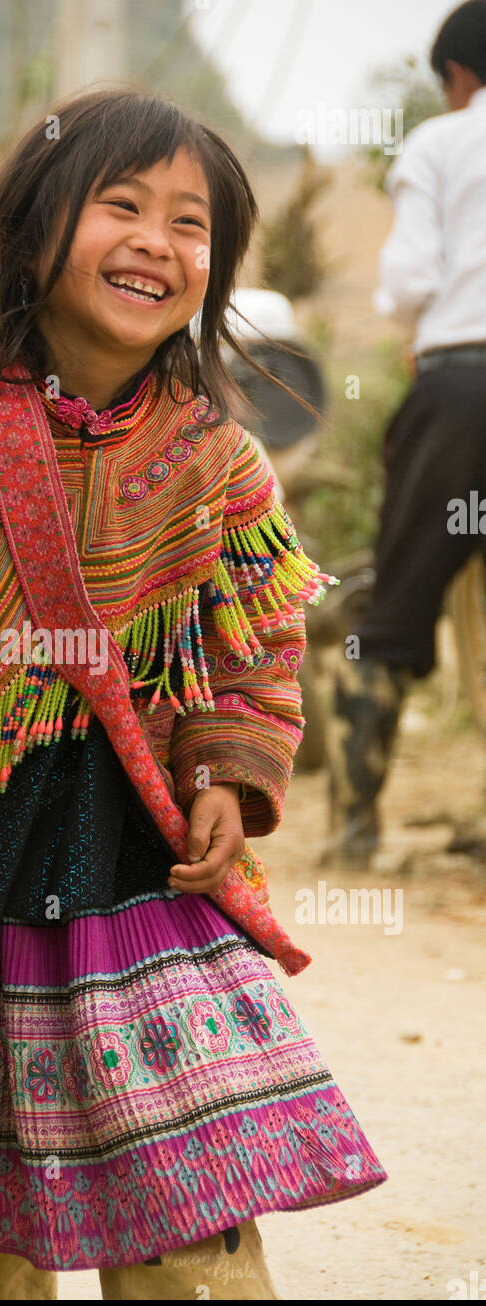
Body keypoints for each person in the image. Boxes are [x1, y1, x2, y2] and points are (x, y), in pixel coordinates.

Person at [0, 90, 387, 1301]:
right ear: (27, 230)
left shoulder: (214, 453)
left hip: (134, 859)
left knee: (187, 1207)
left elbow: (258, 635)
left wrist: (226, 770)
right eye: (119, 206)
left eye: (190, 225)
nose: (155, 243)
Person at [325, 0, 486, 866]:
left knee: (393, 611)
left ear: (458, 76)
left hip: (460, 388)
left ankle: (353, 829)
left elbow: (410, 279)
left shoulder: (442, 142)